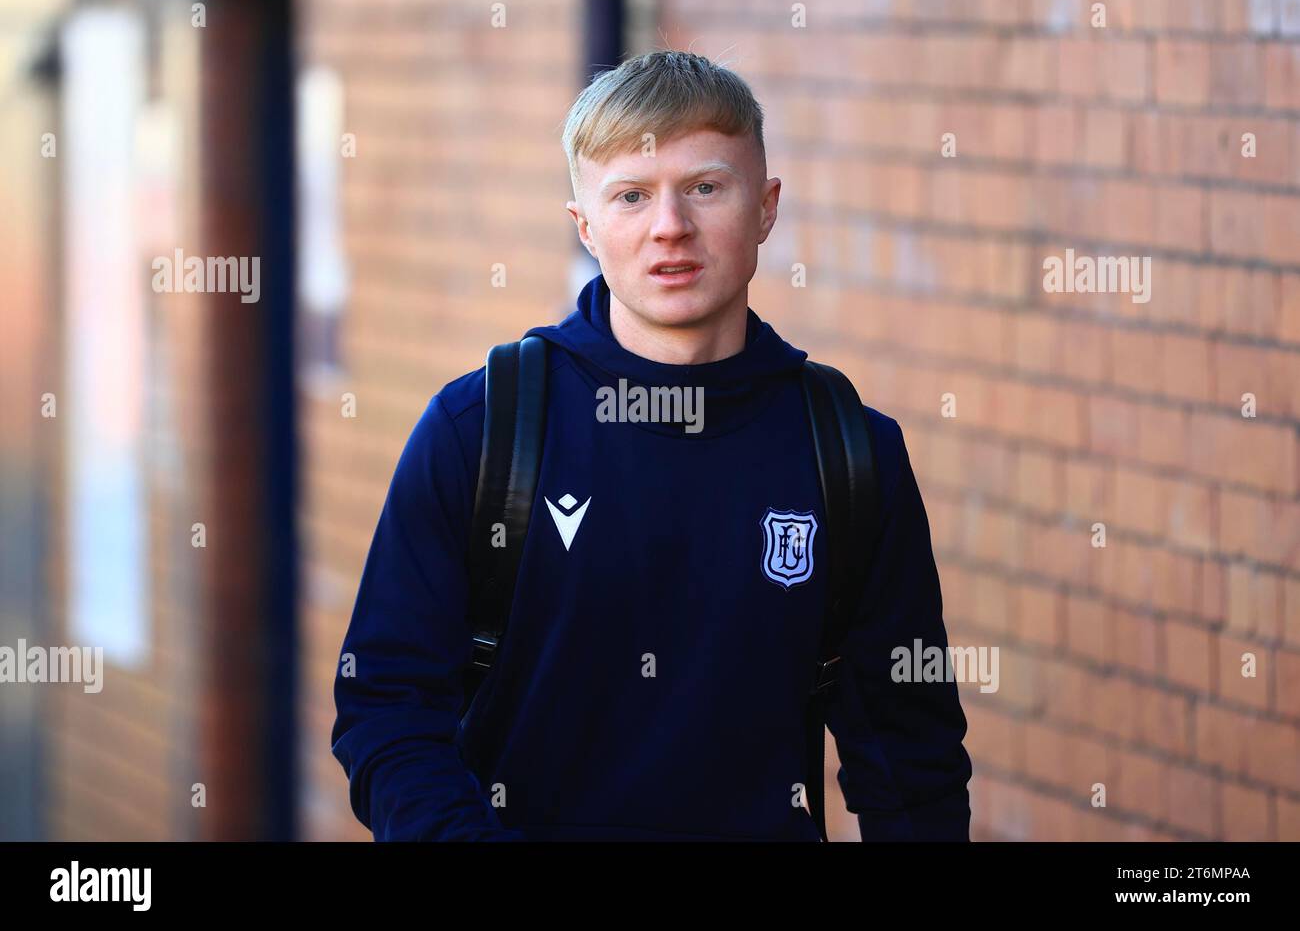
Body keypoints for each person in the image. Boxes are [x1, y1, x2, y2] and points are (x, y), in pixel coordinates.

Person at [330, 49, 973, 841]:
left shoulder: (847, 452)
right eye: (631, 196)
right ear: (586, 227)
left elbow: (911, 755)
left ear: (766, 207)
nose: (671, 226)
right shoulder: (483, 431)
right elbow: (386, 711)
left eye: (705, 187)